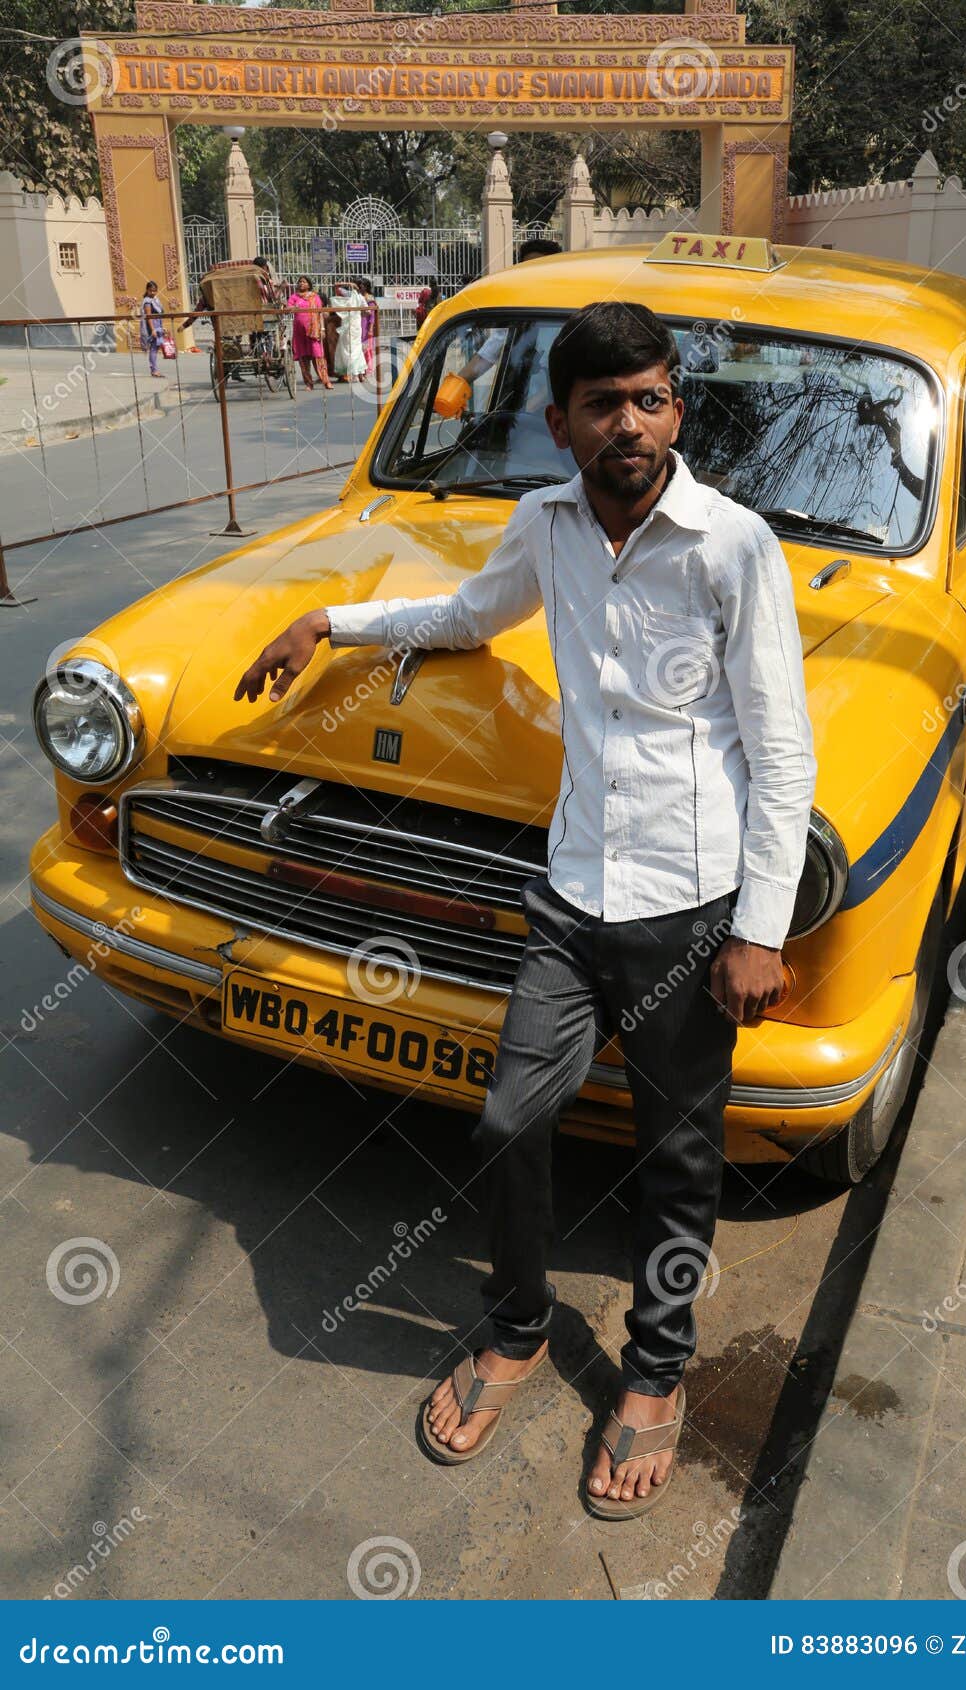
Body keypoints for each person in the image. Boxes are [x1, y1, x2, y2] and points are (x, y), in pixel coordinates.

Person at [233, 301, 817, 1519]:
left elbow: (781, 747)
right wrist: (326, 621)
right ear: (559, 425)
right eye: (602, 404)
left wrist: (759, 926)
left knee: (676, 1154)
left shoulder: (731, 547)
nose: (630, 423)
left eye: (649, 399)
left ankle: (654, 1372)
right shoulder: (544, 525)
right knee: (507, 1122)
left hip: (688, 907)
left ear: (674, 410)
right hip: (570, 891)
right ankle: (517, 1321)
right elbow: (462, 617)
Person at [434, 237, 563, 418]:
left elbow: (564, 377)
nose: (533, 276)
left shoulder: (567, 315)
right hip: (516, 416)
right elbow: (487, 355)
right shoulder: (517, 313)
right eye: (528, 270)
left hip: (554, 416)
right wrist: (453, 389)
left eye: (541, 269)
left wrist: (533, 405)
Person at [287, 274, 332, 391]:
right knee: (303, 358)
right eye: (300, 282)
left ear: (309, 284)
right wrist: (294, 307)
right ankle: (309, 383)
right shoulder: (294, 297)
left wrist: (322, 329)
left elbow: (320, 313)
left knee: (318, 356)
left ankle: (326, 381)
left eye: (304, 282)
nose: (302, 284)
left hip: (314, 332)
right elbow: (288, 308)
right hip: (299, 333)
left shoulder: (315, 297)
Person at [326, 280, 367, 384]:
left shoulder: (348, 298)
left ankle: (356, 374)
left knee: (351, 349)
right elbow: (367, 311)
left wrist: (347, 284)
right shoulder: (355, 297)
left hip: (352, 327)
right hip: (351, 326)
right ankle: (358, 374)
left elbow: (336, 286)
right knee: (354, 348)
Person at [139, 280, 165, 379]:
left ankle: (154, 369)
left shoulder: (155, 299)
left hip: (158, 324)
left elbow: (159, 313)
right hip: (152, 325)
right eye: (151, 291)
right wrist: (153, 330)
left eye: (155, 291)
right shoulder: (147, 301)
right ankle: (154, 370)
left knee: (156, 347)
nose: (153, 293)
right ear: (147, 290)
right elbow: (149, 316)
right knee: (153, 348)